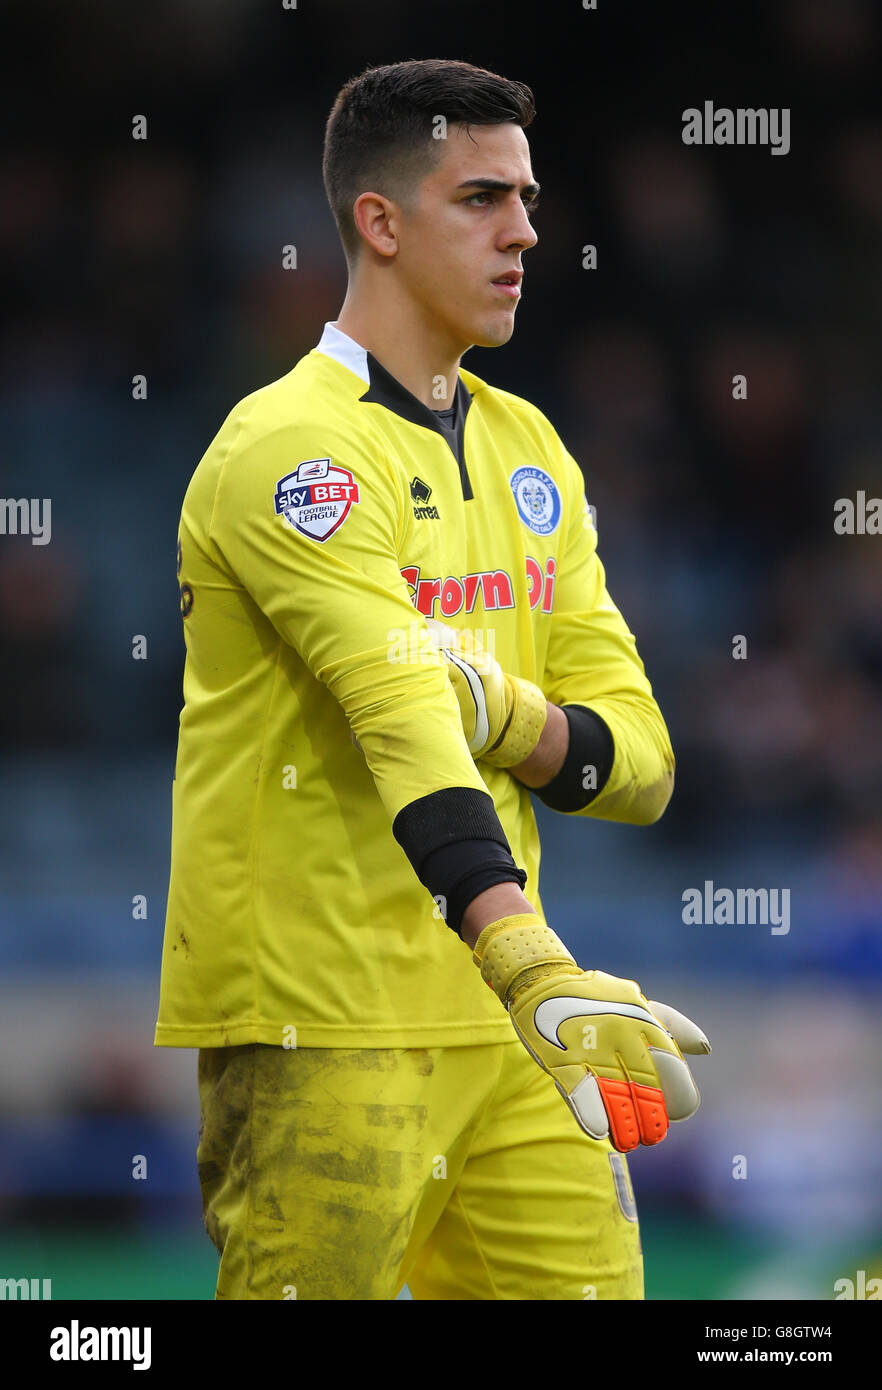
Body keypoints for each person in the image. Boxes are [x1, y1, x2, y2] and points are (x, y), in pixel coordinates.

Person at [155, 57, 710, 1301]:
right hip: (324, 1020)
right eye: (482, 198)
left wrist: (501, 709)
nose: (526, 229)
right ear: (381, 221)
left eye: (525, 197)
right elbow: (401, 716)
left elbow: (642, 763)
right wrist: (529, 956)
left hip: (517, 1028)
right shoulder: (294, 449)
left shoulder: (531, 446)